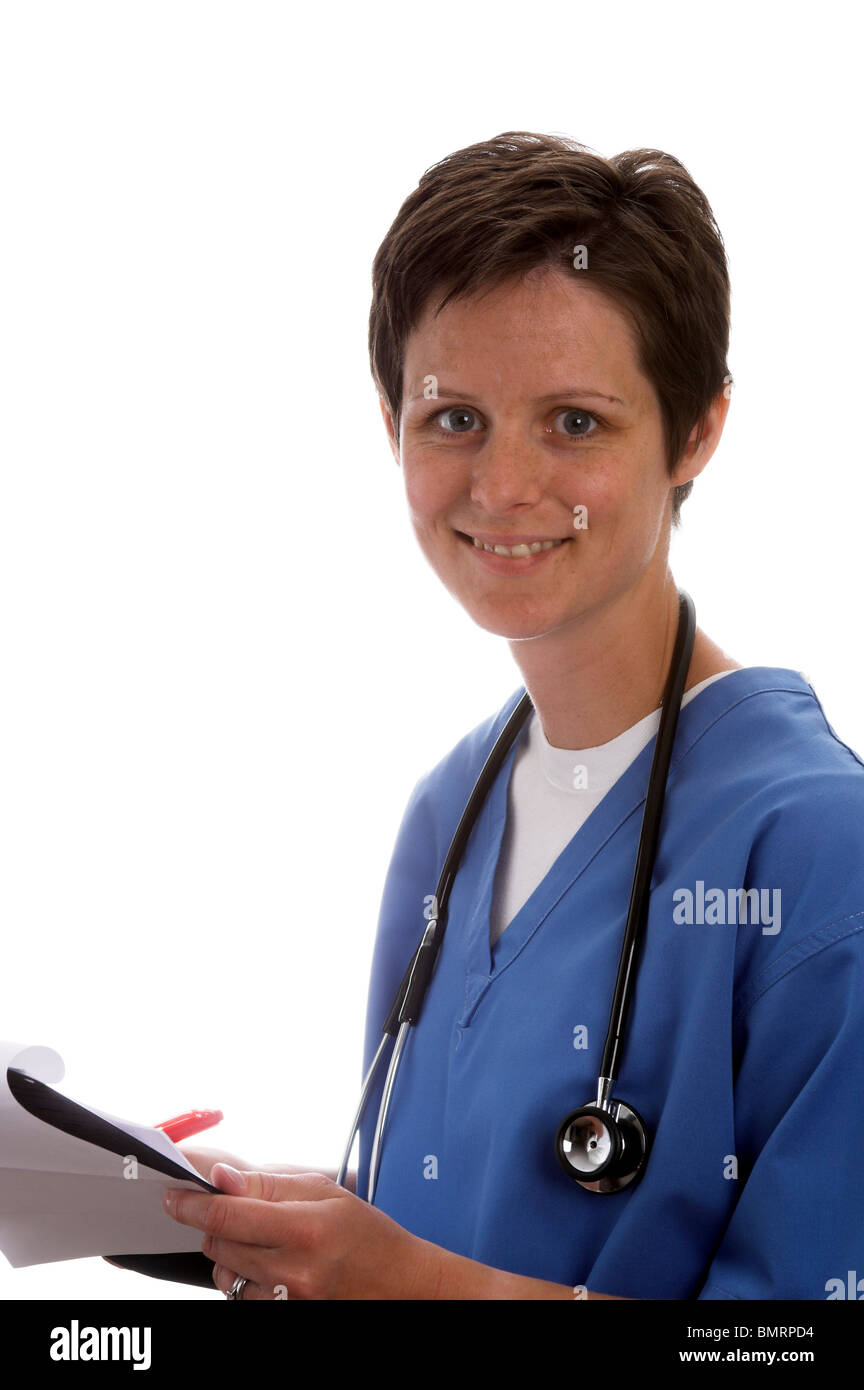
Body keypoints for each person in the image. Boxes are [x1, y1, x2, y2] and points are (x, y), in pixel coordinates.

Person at [163, 132, 864, 1300]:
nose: (502, 487)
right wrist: (289, 1234)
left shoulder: (819, 853)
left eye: (576, 422)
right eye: (455, 419)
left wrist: (424, 1291)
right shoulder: (449, 811)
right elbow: (441, 1228)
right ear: (389, 418)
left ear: (696, 430)